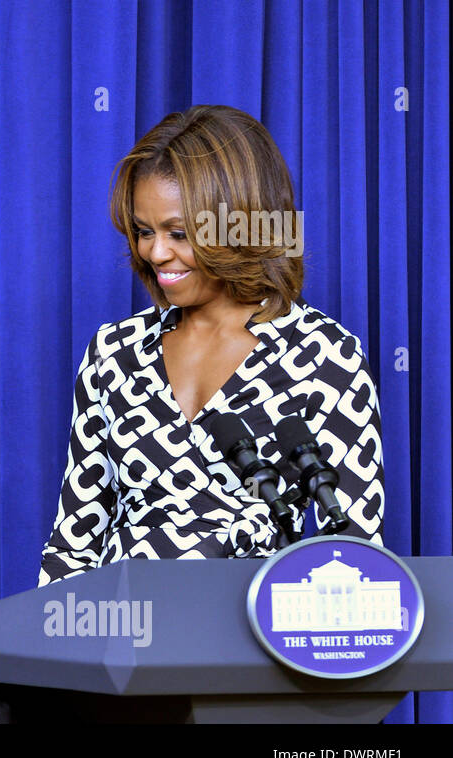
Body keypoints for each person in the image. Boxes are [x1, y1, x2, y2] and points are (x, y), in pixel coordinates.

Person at [39, 106, 384, 586]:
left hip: (252, 645)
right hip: (119, 638)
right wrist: (50, 647)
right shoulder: (113, 352)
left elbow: (357, 555)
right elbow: (73, 541)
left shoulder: (327, 356)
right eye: (143, 231)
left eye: (178, 233)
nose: (156, 253)